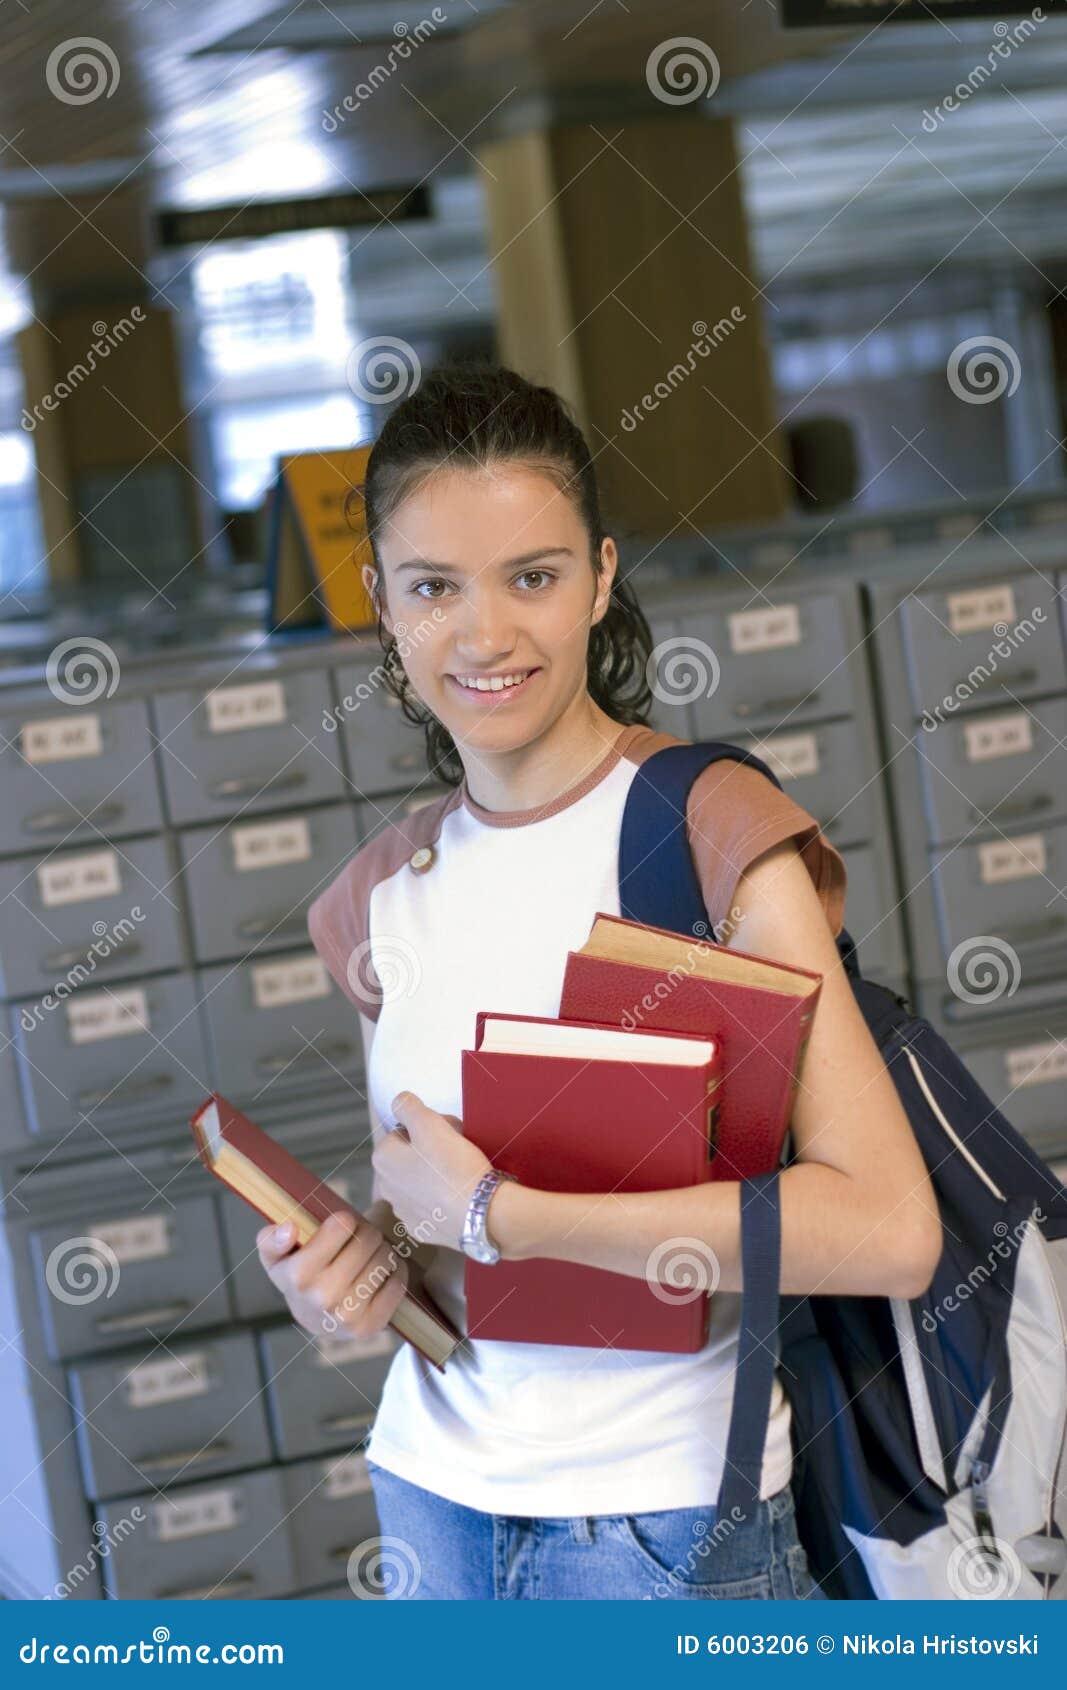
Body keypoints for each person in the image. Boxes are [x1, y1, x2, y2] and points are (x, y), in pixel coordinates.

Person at [256, 361, 942, 1601]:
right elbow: (434, 1252)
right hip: (433, 1508)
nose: (484, 635)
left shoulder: (703, 830)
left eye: (533, 576)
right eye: (432, 588)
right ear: (379, 605)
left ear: (601, 577)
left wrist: (505, 1213)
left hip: (665, 1532)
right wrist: (348, 1289)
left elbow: (888, 1230)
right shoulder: (379, 894)